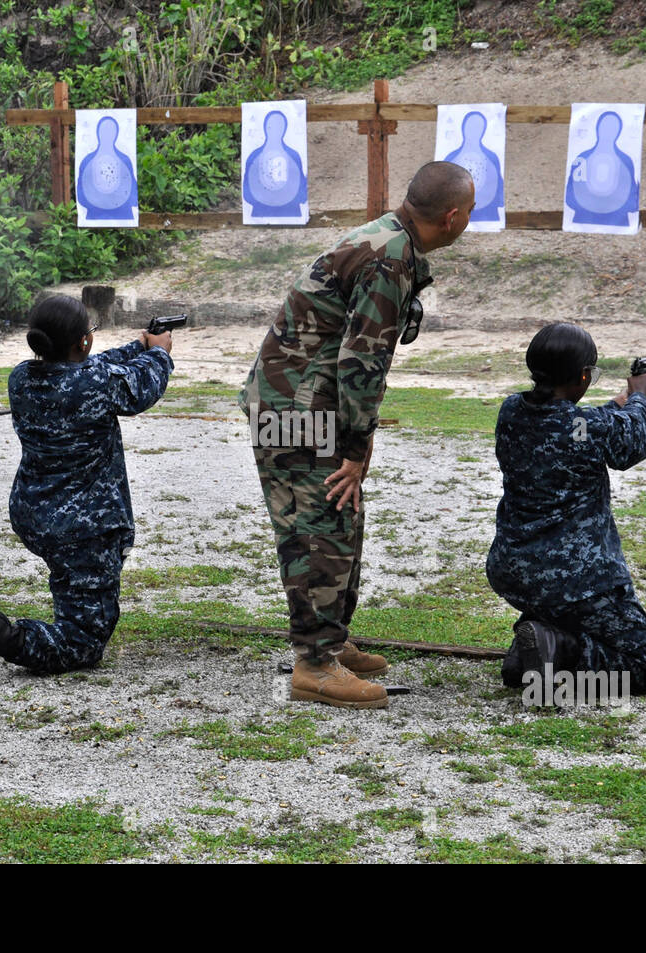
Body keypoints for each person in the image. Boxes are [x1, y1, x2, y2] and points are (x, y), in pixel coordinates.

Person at [239, 160, 475, 709]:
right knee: (321, 524)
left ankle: (332, 643)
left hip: (301, 398)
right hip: (298, 407)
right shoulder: (390, 259)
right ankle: (315, 665)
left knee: (340, 517)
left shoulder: (388, 240)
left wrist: (355, 445)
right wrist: (354, 448)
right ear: (453, 216)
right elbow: (361, 363)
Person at [0, 295, 172, 685]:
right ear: (83, 342)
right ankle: (7, 636)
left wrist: (139, 345)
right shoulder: (95, 385)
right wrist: (160, 354)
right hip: (85, 529)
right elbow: (141, 387)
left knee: (73, 586)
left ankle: (52, 618)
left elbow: (92, 368)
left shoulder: (21, 378)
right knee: (83, 642)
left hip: (38, 518)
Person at [485, 322, 646, 703]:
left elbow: (568, 424)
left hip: (516, 571)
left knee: (566, 612)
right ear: (584, 376)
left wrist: (618, 406)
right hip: (577, 578)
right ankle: (560, 650)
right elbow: (630, 445)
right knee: (642, 666)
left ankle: (538, 639)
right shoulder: (587, 426)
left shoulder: (512, 411)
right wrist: (637, 398)